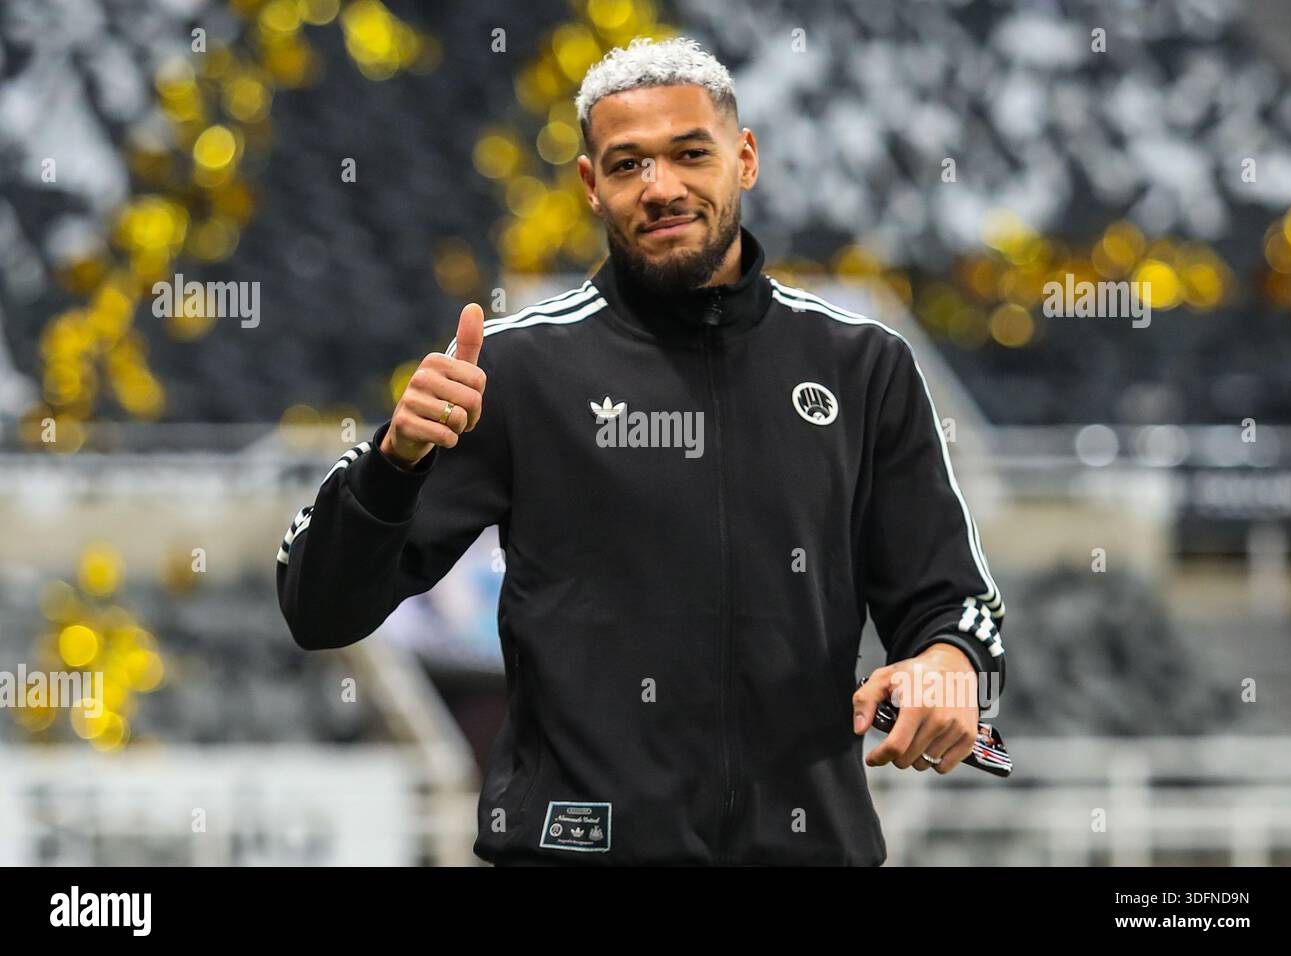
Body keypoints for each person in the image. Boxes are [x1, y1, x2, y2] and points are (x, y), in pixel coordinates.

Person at [276, 36, 1006, 866]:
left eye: (690, 154)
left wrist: (947, 662)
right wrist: (391, 464)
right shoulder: (516, 371)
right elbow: (318, 608)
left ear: (745, 158)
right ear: (592, 186)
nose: (661, 188)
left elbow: (950, 599)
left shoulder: (862, 366)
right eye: (627, 165)